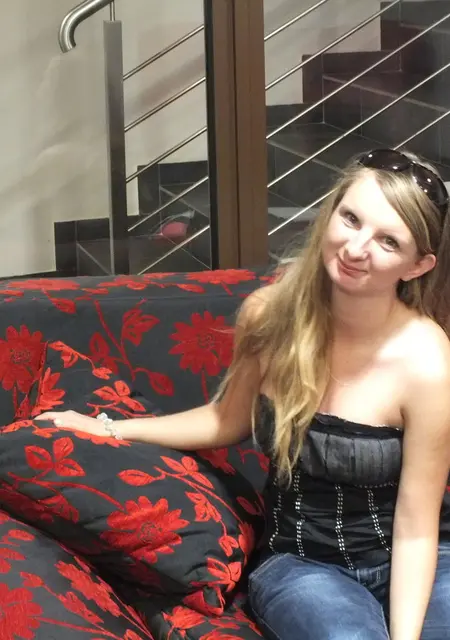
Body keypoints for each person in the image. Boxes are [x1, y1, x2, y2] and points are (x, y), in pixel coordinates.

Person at [36, 148, 450, 639]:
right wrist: (106, 428)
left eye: (388, 241)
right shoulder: (269, 315)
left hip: (421, 555)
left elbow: (417, 525)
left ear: (417, 265)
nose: (355, 248)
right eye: (351, 218)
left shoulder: (427, 359)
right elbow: (225, 420)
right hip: (303, 565)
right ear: (331, 211)